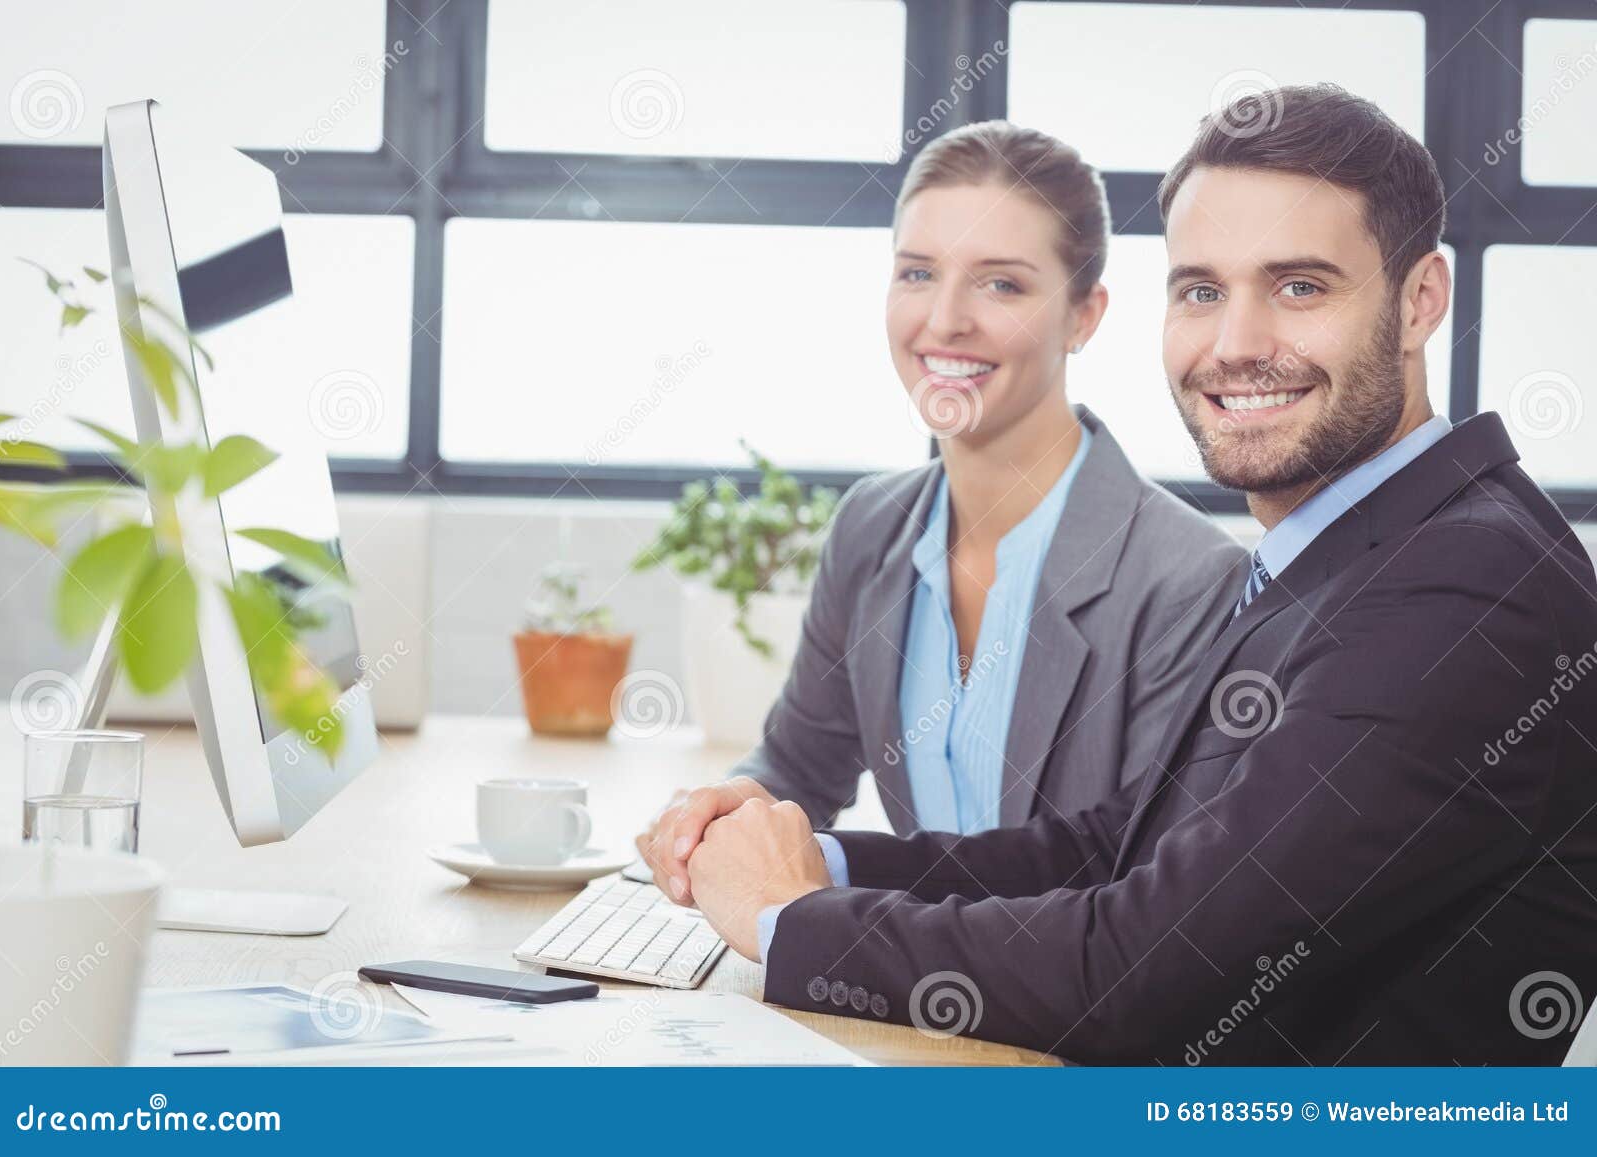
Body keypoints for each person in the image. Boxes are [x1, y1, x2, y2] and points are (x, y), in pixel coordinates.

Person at [672, 85, 1597, 1065]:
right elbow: (1121, 845)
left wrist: (792, 916)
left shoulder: (1466, 583)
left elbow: (1143, 970)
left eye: (1299, 287)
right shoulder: (1339, 554)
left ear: (1419, 302)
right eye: (1201, 289)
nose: (1235, 344)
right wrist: (826, 858)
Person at [638, 122, 1247, 903]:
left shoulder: (1187, 580)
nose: (946, 319)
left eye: (1002, 284)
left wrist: (831, 900)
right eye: (918, 273)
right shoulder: (872, 527)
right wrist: (724, 810)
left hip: (1064, 1016)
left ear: (1083, 315)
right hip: (904, 1006)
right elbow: (796, 768)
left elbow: (1136, 888)